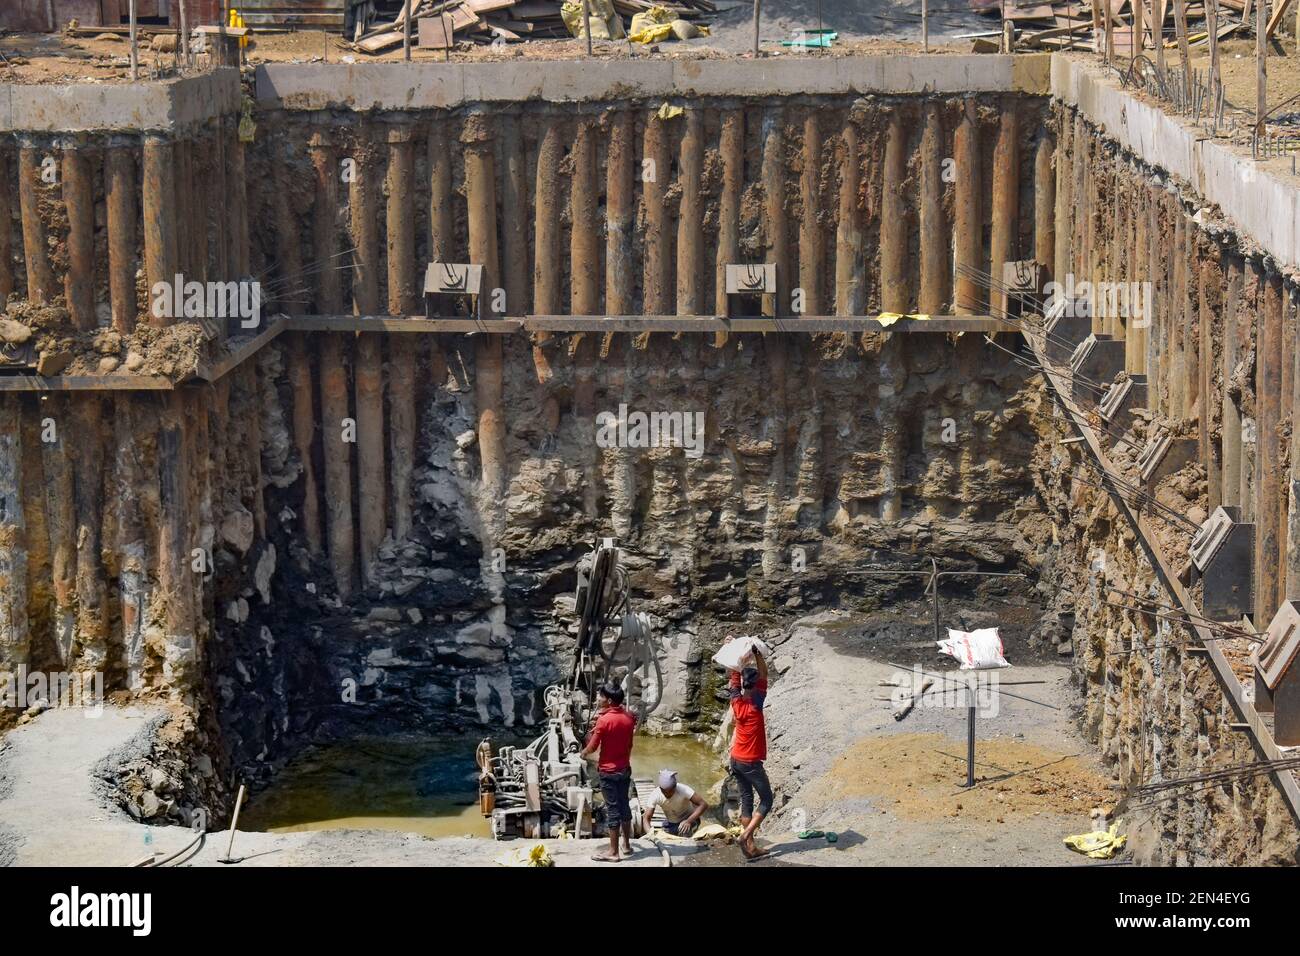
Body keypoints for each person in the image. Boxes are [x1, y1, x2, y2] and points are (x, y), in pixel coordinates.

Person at [580, 682, 637, 862]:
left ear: (609, 700)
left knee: (612, 810)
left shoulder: (604, 720)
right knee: (624, 805)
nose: (598, 698)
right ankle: (626, 845)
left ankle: (613, 853)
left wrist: (582, 753)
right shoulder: (629, 717)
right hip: (624, 769)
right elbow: (629, 745)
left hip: (608, 772)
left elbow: (593, 746)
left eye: (601, 696)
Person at [727, 641, 773, 861]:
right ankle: (746, 835)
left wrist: (734, 652)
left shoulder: (737, 701)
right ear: (755, 686)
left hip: (735, 759)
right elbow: (764, 674)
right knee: (766, 800)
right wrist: (756, 654)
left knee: (747, 800)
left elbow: (733, 678)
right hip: (750, 762)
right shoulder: (757, 702)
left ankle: (751, 847)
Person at [642, 770, 708, 837]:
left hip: (690, 820)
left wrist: (689, 821)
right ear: (660, 788)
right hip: (671, 823)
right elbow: (646, 818)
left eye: (670, 791)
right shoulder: (655, 794)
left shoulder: (684, 790)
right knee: (664, 838)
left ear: (675, 787)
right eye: (664, 792)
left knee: (684, 834)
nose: (667, 794)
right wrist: (650, 834)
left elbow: (703, 804)